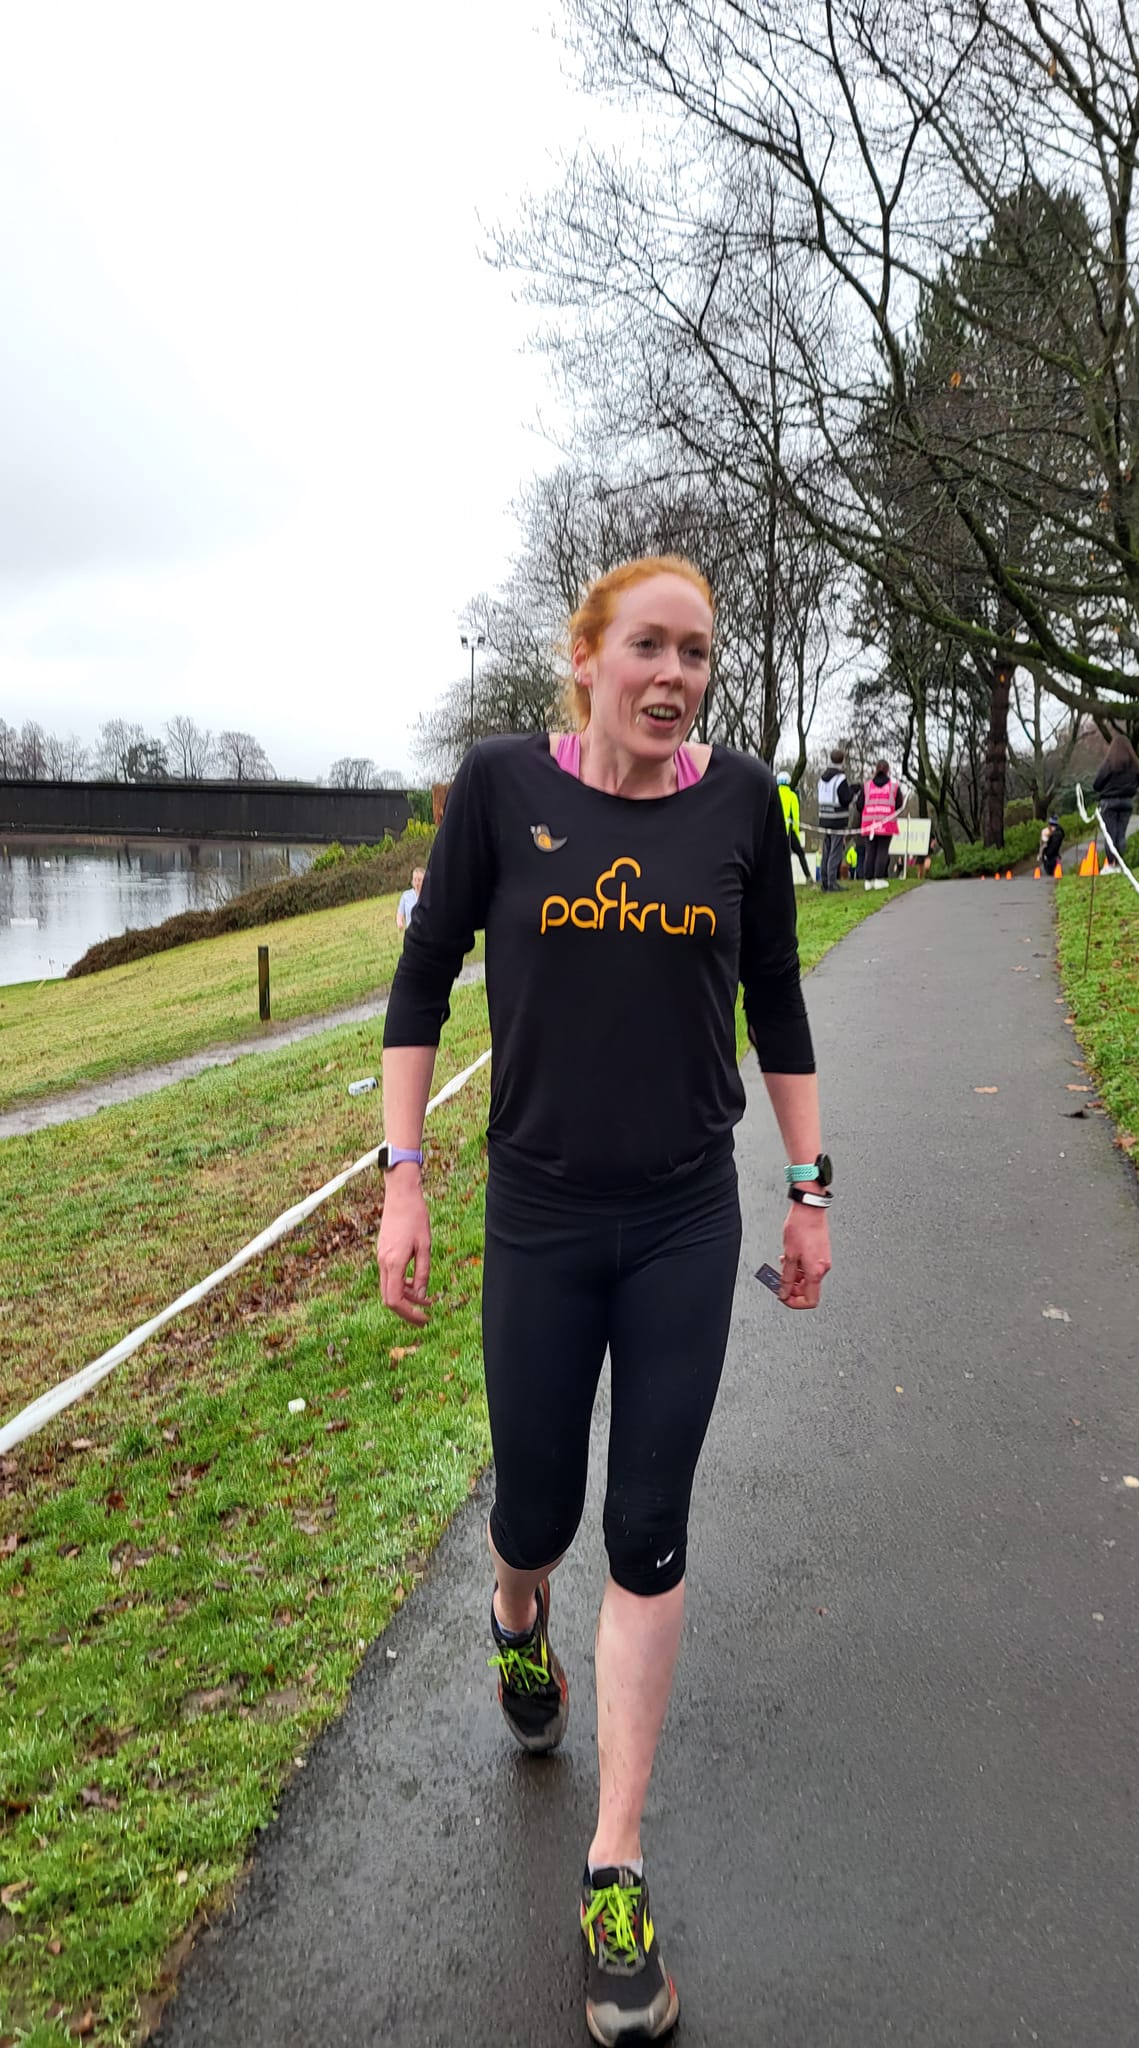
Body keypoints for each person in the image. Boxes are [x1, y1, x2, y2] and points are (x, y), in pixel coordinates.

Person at [377, 556, 831, 2045]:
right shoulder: (501, 791)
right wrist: (404, 1176)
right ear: (584, 659)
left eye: (697, 653)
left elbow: (775, 994)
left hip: (687, 1216)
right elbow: (422, 981)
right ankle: (516, 1616)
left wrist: (811, 1186)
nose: (676, 674)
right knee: (538, 1517)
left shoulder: (743, 808)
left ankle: (615, 1866)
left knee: (646, 1529)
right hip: (546, 1217)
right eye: (648, 645)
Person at [1093, 732, 1139, 872]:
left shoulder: (1110, 763)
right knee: (1121, 835)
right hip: (1127, 802)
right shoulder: (1135, 766)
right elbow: (1137, 783)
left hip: (1109, 802)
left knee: (1110, 835)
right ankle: (1120, 864)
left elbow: (1097, 783)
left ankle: (1110, 864)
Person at [816, 748, 859, 891]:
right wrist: (853, 791)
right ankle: (832, 882)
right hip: (837, 818)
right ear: (842, 760)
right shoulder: (840, 778)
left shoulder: (822, 778)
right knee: (836, 851)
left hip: (824, 817)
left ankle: (824, 881)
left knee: (826, 850)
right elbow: (845, 798)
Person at [860, 762, 902, 889]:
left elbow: (859, 804)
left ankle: (868, 880)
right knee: (882, 851)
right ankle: (879, 878)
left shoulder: (866, 786)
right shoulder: (894, 787)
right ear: (888, 771)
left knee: (870, 851)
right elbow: (898, 804)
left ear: (875, 770)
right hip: (886, 822)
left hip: (869, 823)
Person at [775, 769, 811, 880]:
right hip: (788, 829)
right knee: (799, 852)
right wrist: (796, 829)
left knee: (778, 855)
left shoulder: (773, 794)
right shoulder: (792, 795)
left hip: (774, 829)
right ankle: (808, 876)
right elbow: (795, 815)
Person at [396, 865, 426, 932]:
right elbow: (400, 914)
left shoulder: (429, 895)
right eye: (415, 879)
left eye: (419, 880)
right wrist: (399, 922)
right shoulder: (406, 896)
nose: (417, 883)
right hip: (411, 933)